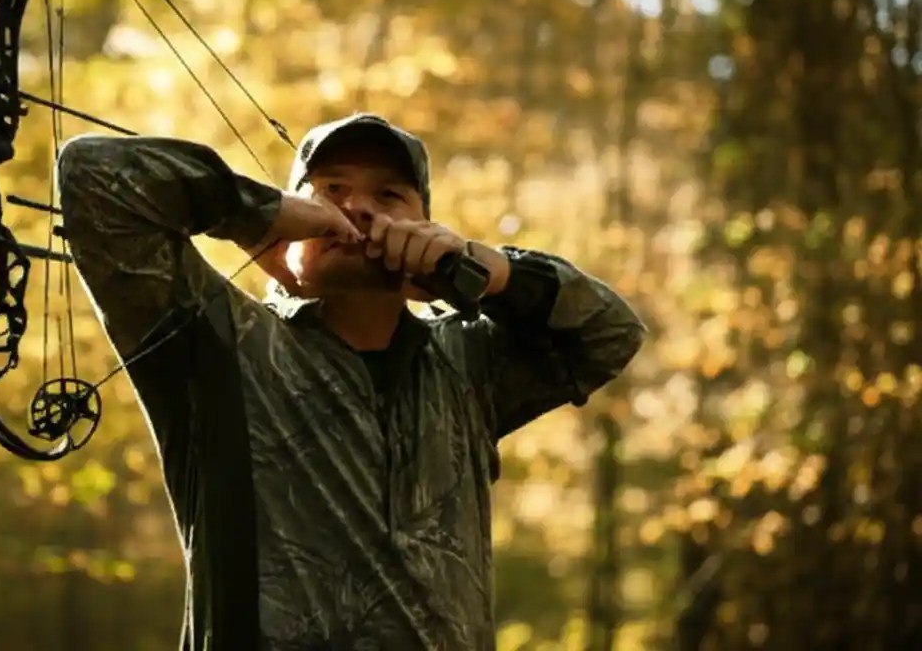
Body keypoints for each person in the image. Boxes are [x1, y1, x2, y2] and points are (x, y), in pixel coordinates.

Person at [56, 112, 647, 650]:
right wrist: (258, 216)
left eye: (389, 195)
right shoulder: (219, 341)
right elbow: (91, 174)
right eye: (332, 190)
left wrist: (492, 271)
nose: (359, 208)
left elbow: (611, 333)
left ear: (426, 229)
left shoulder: (467, 364)